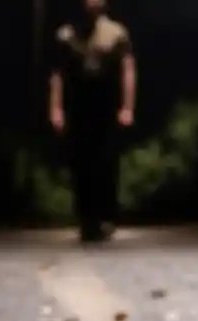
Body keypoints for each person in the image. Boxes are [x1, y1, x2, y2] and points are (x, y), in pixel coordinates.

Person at [49, 0, 136, 243]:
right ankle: (86, 218)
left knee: (105, 161)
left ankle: (106, 214)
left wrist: (127, 106)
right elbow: (58, 74)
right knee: (80, 162)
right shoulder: (66, 35)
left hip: (105, 106)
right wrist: (56, 108)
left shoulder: (116, 33)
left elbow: (128, 68)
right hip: (78, 106)